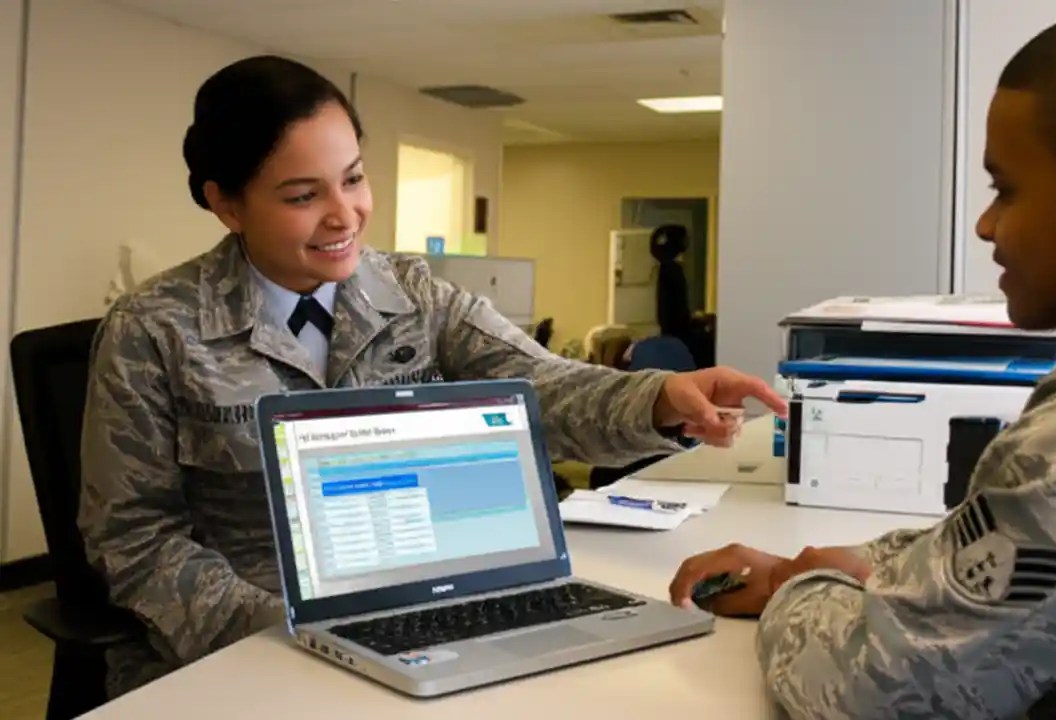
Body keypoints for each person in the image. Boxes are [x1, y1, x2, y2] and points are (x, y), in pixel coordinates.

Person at [78, 55, 786, 698]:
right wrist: (287, 634)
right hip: (242, 652)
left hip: (424, 616)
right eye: (302, 196)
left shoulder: (414, 294)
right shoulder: (154, 330)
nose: (344, 214)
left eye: (353, 178)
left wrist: (661, 396)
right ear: (226, 203)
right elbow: (136, 542)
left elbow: (544, 386)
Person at [668, 4, 1056, 718]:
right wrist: (866, 563)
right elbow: (1004, 542)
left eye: (1005, 189)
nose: (986, 225)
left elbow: (877, 696)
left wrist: (791, 590)